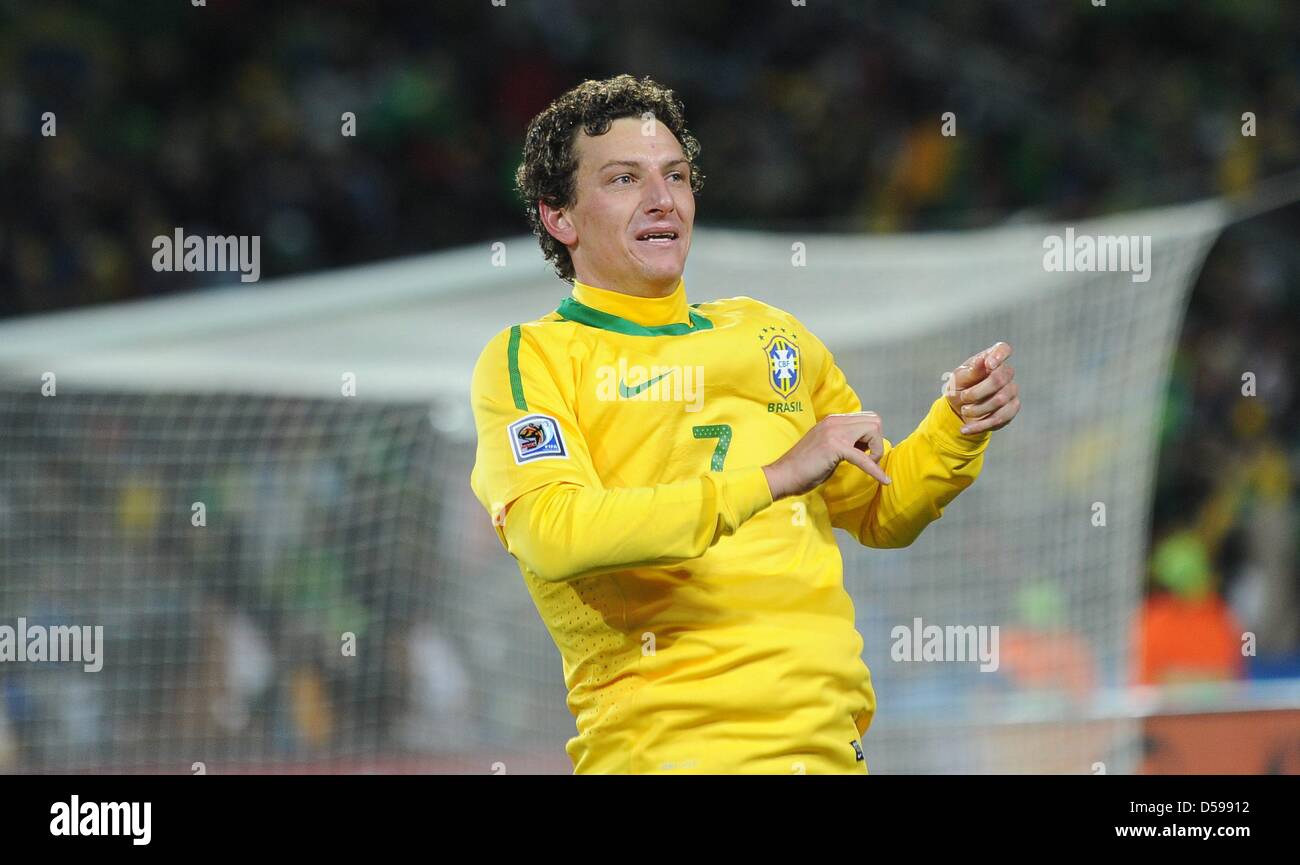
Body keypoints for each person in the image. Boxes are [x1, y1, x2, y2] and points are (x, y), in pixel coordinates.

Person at [469, 74, 1021, 773]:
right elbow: (552, 531)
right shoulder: (534, 357)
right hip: (673, 753)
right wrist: (770, 478)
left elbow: (883, 506)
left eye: (675, 175)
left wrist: (956, 427)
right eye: (623, 179)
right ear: (560, 217)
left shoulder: (771, 335)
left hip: (830, 751)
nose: (661, 198)